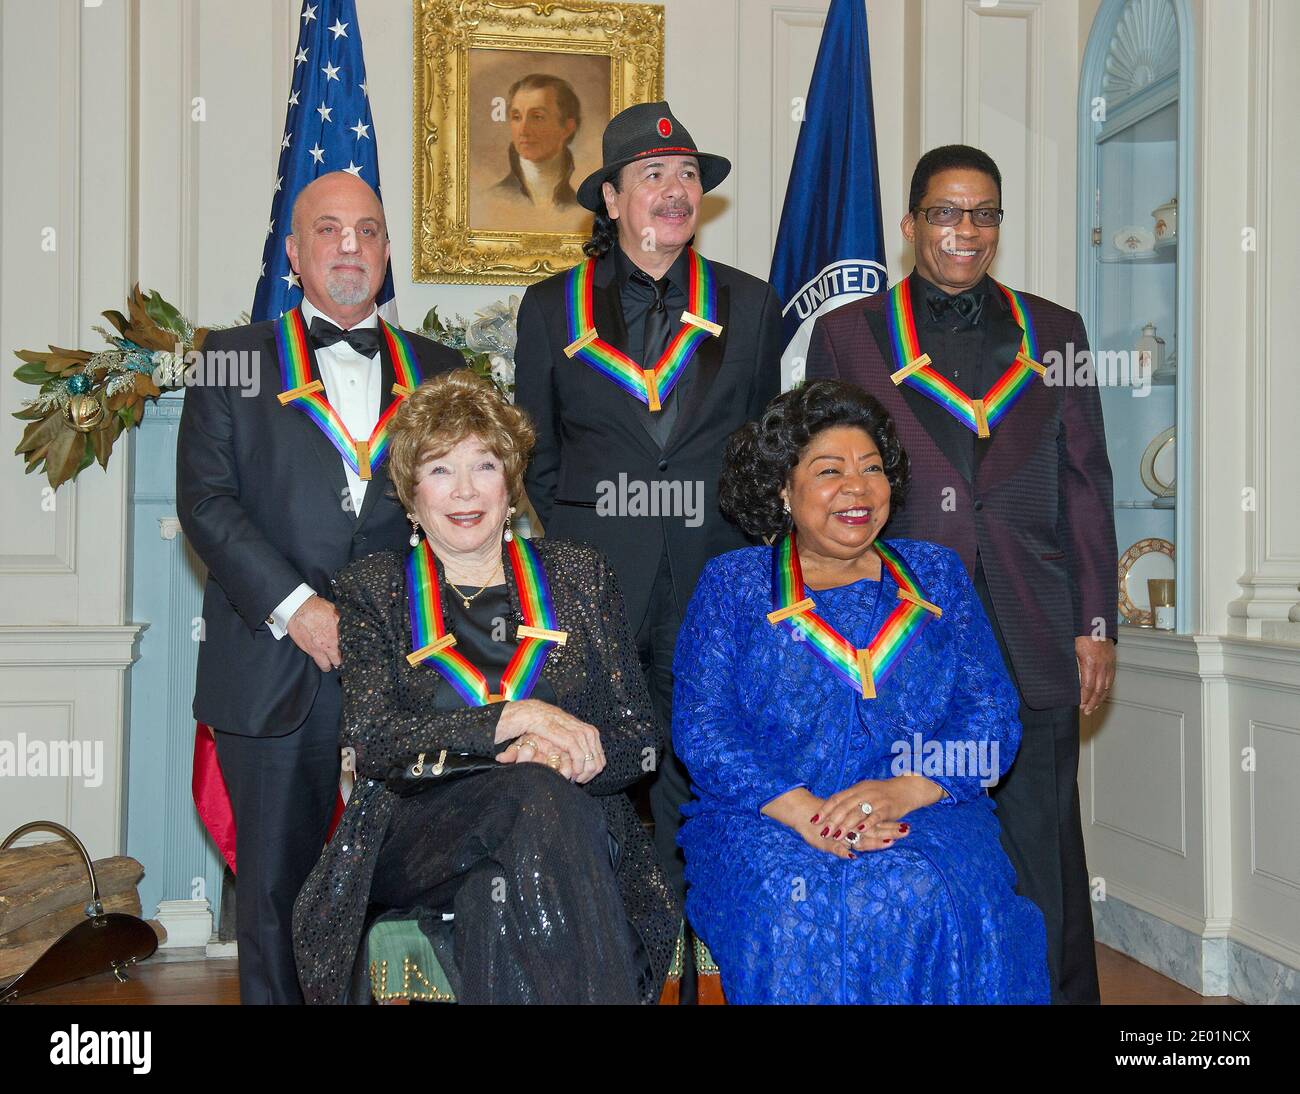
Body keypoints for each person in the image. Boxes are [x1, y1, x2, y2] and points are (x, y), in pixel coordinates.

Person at [806, 144, 1117, 1004]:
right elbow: (823, 489)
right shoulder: (848, 333)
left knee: (1045, 841)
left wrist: (1096, 622)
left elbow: (1088, 483)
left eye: (983, 214)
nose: (965, 230)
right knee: (918, 836)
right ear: (910, 225)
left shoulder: (1058, 333)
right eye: (946, 212)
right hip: (901, 635)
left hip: (1034, 621)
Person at [292, 370, 678, 1005]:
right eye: (440, 470)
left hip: (566, 817)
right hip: (418, 833)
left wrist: (563, 757)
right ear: (412, 497)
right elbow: (373, 742)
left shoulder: (578, 574)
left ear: (511, 484)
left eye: (485, 465)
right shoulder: (374, 589)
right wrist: (510, 719)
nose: (464, 490)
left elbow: (639, 737)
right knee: (532, 800)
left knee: (497, 891)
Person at [177, 171, 463, 1004]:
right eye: (329, 231)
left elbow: (465, 512)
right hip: (270, 669)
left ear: (384, 254)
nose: (350, 246)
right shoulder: (230, 360)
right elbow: (206, 502)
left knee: (402, 889)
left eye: (368, 231)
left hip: (412, 669)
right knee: (277, 895)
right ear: (294, 255)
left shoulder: (440, 369)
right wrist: (299, 611)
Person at [672, 380, 1050, 1004]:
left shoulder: (936, 575)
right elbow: (705, 728)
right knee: (796, 915)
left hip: (927, 808)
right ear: (783, 491)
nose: (858, 487)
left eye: (872, 469)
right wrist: (810, 816)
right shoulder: (734, 585)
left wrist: (903, 790)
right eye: (829, 471)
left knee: (933, 893)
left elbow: (990, 717)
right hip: (767, 817)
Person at [513, 101, 782, 912]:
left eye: (688, 174)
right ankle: (594, 936)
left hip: (714, 572)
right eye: (653, 174)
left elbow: (765, 452)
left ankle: (686, 937)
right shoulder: (548, 307)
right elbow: (537, 454)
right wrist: (573, 549)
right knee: (588, 758)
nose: (675, 189)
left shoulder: (753, 304)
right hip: (595, 578)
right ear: (611, 199)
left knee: (701, 760)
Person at [489, 73, 581, 211]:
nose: (523, 130)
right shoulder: (492, 200)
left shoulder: (581, 207)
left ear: (567, 128)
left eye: (537, 117)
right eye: (516, 117)